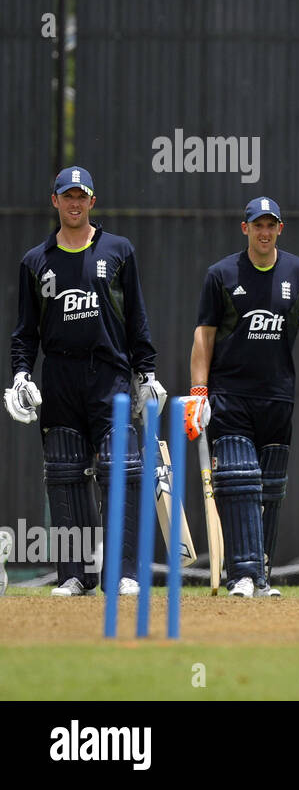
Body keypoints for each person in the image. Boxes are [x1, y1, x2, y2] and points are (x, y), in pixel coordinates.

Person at [6, 166, 167, 596]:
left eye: (82, 196)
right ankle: (75, 575)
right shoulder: (36, 261)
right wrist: (20, 374)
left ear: (92, 201)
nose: (75, 203)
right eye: (67, 196)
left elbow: (136, 317)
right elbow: (24, 331)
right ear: (54, 201)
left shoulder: (118, 250)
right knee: (63, 473)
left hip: (109, 374)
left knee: (122, 470)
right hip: (59, 375)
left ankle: (124, 572)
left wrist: (146, 372)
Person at [184, 196, 299, 598]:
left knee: (270, 490)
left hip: (278, 397)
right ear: (246, 229)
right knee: (240, 483)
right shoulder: (221, 274)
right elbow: (203, 334)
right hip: (230, 396)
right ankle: (244, 574)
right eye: (258, 225)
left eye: (271, 225)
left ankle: (262, 576)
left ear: (279, 228)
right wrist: (199, 391)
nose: (264, 231)